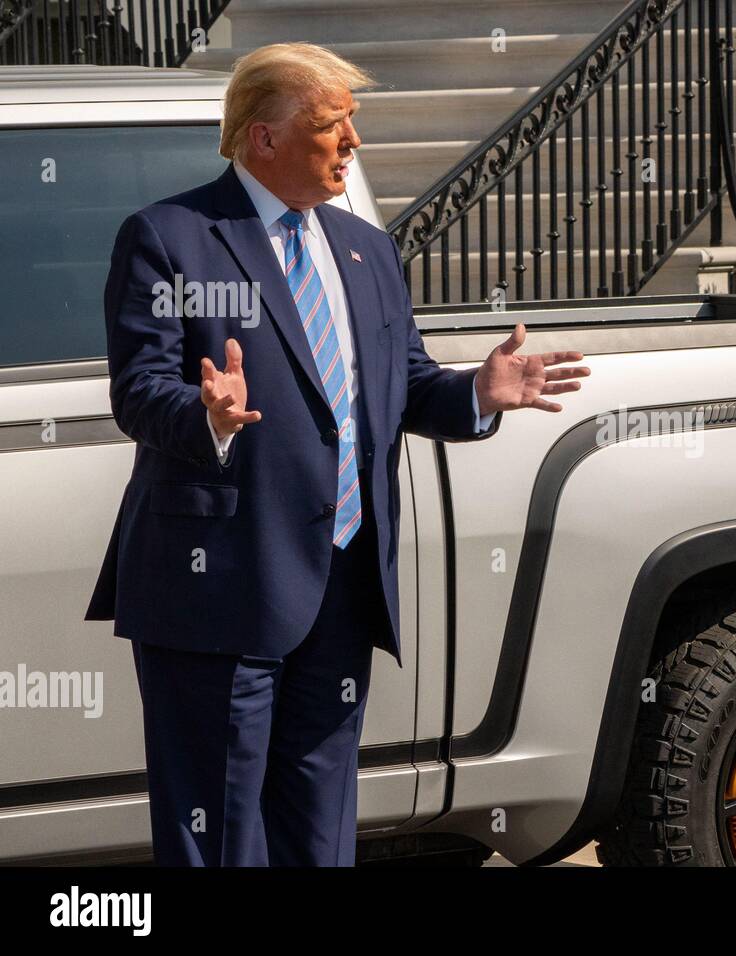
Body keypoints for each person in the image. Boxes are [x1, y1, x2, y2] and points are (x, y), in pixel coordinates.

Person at [85, 42, 590, 866]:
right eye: (331, 125)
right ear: (263, 139)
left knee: (322, 833)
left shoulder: (367, 250)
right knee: (218, 833)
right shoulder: (171, 238)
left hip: (341, 587)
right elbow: (139, 392)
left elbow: (405, 385)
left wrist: (477, 392)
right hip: (221, 587)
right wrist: (207, 413)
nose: (353, 142)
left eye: (354, 122)